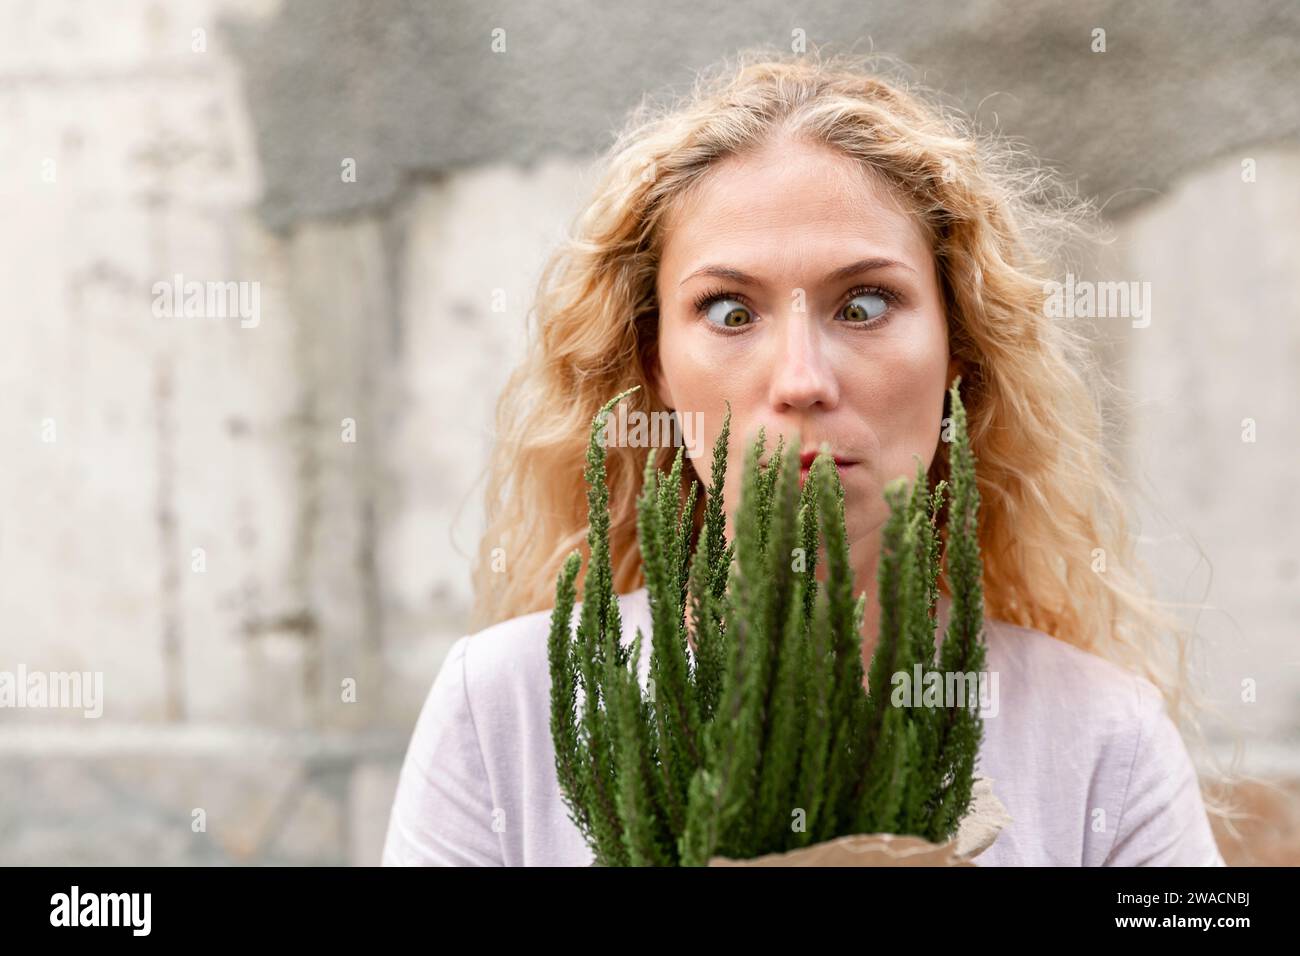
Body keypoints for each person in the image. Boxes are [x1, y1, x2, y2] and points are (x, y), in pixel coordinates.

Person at [383, 48, 1227, 866]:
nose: (801, 381)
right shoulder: (505, 710)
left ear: (958, 349)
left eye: (863, 304)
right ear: (654, 364)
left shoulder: (1102, 739)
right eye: (728, 311)